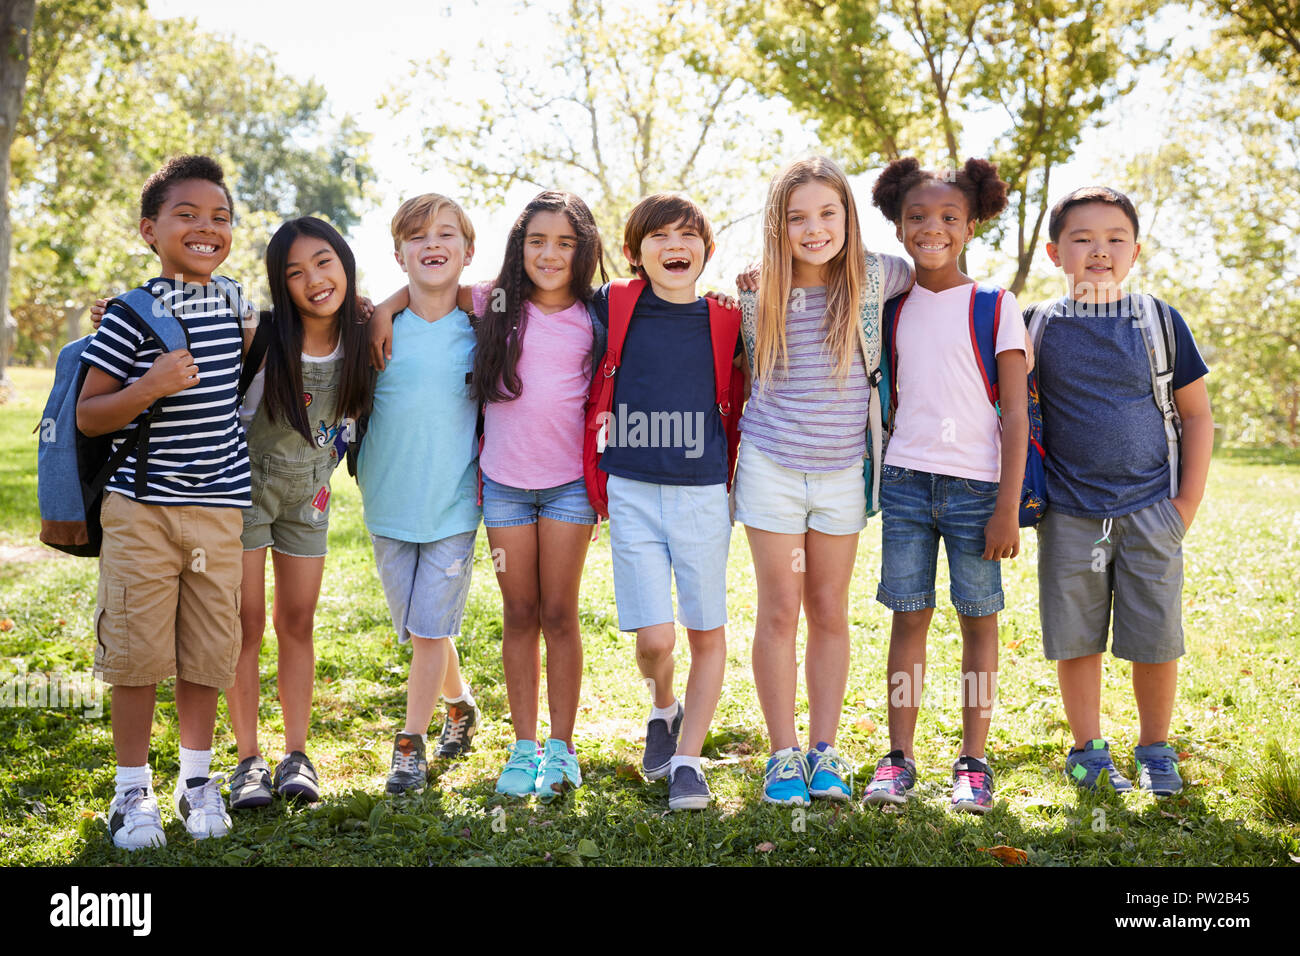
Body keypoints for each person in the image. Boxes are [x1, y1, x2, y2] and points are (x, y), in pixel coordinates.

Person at [367, 191, 608, 800]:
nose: (550, 254)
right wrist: (380, 311)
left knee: (559, 614)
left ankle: (562, 748)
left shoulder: (598, 313)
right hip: (501, 485)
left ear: (583, 251)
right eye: (536, 241)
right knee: (519, 614)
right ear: (517, 247)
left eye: (565, 242)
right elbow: (432, 290)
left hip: (568, 489)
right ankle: (523, 747)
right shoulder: (496, 302)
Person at [77, 155, 249, 849]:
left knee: (208, 654)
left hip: (219, 512)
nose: (207, 228)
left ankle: (197, 781)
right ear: (150, 230)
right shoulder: (128, 314)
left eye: (221, 218)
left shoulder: (239, 304)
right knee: (137, 656)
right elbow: (91, 414)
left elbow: (293, 342)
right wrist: (148, 385)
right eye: (188, 215)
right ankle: (131, 792)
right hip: (141, 511)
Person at [734, 156, 912, 806]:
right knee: (780, 609)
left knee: (830, 610)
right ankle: (783, 756)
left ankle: (825, 750)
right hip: (771, 466)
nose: (814, 229)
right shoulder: (757, 295)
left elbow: (938, 274)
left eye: (827, 214)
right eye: (797, 217)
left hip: (842, 472)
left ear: (847, 216)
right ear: (778, 226)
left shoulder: (878, 279)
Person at [1030, 186, 1212, 796]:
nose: (1099, 251)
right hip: (1070, 512)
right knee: (1076, 636)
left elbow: (1198, 416)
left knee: (1154, 638)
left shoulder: (1160, 322)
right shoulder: (1038, 327)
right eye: (1082, 239)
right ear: (1056, 253)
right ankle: (1088, 750)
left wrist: (1183, 505)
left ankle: (1155, 749)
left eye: (1114, 239)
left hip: (1150, 509)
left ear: (1135, 251)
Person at [862, 157, 1028, 814]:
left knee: (978, 623)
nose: (932, 227)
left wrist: (1007, 507)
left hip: (978, 492)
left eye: (948, 217)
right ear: (900, 226)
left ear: (971, 224)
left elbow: (1015, 412)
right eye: (918, 217)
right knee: (909, 618)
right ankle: (899, 760)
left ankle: (973, 763)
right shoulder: (891, 306)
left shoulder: (995, 306)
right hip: (905, 483)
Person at [593, 193, 741, 811]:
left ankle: (688, 760)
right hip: (631, 485)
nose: (674, 246)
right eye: (658, 237)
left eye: (688, 236)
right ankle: (663, 708)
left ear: (707, 250)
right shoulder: (614, 304)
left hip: (704, 490)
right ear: (634, 253)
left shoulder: (729, 318)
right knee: (655, 639)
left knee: (705, 629)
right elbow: (526, 292)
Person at [225, 218, 372, 809]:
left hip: (310, 497)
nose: (314, 279)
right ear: (280, 286)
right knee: (247, 623)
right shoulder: (258, 333)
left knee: (298, 623)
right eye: (295, 272)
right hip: (245, 491)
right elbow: (194, 319)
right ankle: (247, 760)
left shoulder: (365, 331)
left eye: (324, 262)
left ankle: (296, 756)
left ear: (345, 263)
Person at [357, 193, 482, 795]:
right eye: (417, 236)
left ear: (468, 250)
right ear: (399, 252)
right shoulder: (377, 330)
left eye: (446, 234)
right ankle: (459, 703)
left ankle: (410, 745)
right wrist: (384, 306)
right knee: (419, 628)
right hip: (388, 501)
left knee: (430, 632)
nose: (432, 244)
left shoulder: (484, 324)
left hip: (455, 504)